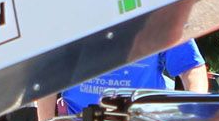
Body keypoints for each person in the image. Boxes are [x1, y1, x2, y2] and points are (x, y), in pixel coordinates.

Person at [58, 39, 210, 115]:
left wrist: (196, 112)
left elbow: (191, 67)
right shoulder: (74, 7)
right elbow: (48, 67)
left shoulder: (160, 8)